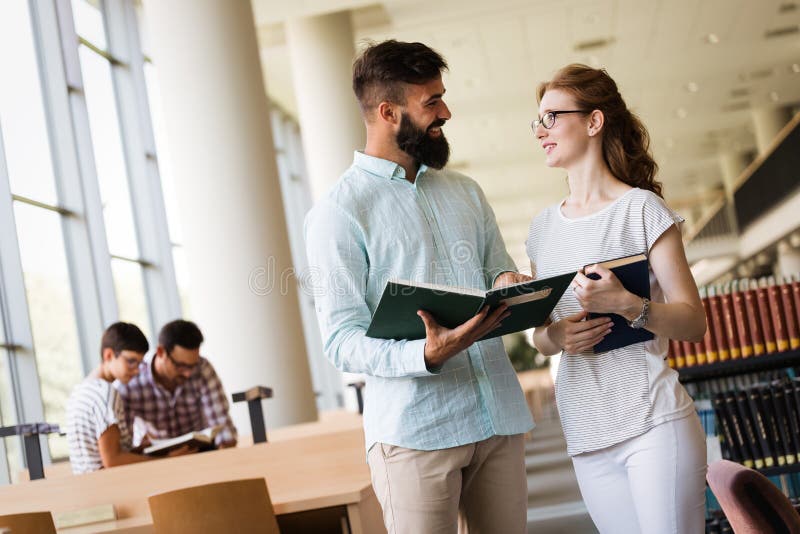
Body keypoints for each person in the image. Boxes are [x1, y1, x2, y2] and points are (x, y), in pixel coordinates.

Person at [304, 39, 533, 534]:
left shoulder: (465, 192)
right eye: (431, 102)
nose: (445, 111)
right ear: (388, 112)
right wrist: (424, 356)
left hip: (497, 419)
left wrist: (508, 282)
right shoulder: (338, 213)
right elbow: (341, 340)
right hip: (415, 432)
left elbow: (499, 270)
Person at [526, 64, 707, 533]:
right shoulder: (542, 230)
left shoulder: (642, 209)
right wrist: (558, 335)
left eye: (552, 117)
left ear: (593, 121)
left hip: (653, 422)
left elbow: (693, 322)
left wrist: (628, 304)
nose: (541, 130)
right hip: (586, 433)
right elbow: (539, 339)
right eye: (537, 121)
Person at [65, 322, 188, 473]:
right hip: (110, 488)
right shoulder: (106, 393)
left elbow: (95, 457)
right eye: (131, 361)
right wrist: (165, 461)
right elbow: (112, 460)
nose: (136, 371)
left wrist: (137, 451)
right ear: (108, 355)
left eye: (139, 363)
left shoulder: (79, 392)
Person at [115, 319, 237, 449]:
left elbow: (225, 432)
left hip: (200, 451)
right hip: (156, 458)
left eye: (192, 366)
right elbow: (124, 447)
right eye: (180, 365)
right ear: (161, 352)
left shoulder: (202, 369)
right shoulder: (132, 379)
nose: (187, 374)